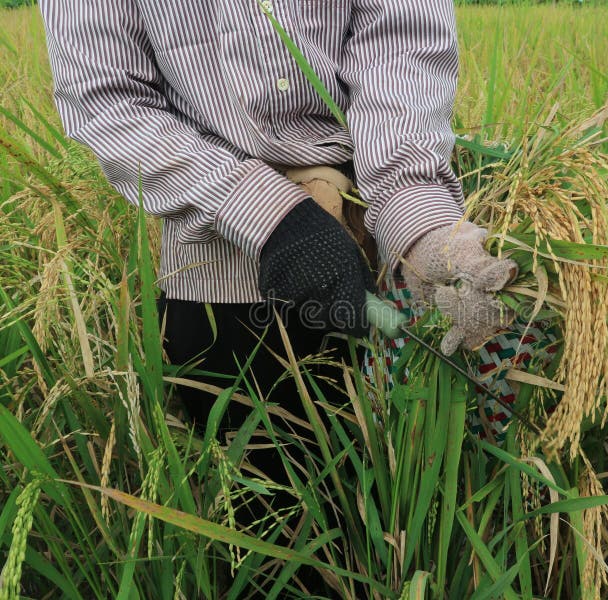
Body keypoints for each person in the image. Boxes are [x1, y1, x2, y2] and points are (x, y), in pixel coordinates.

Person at [40, 0, 518, 593]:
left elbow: (401, 48)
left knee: (402, 529)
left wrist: (421, 226)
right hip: (216, 284)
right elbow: (105, 99)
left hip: (375, 259)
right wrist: (267, 214)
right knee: (278, 548)